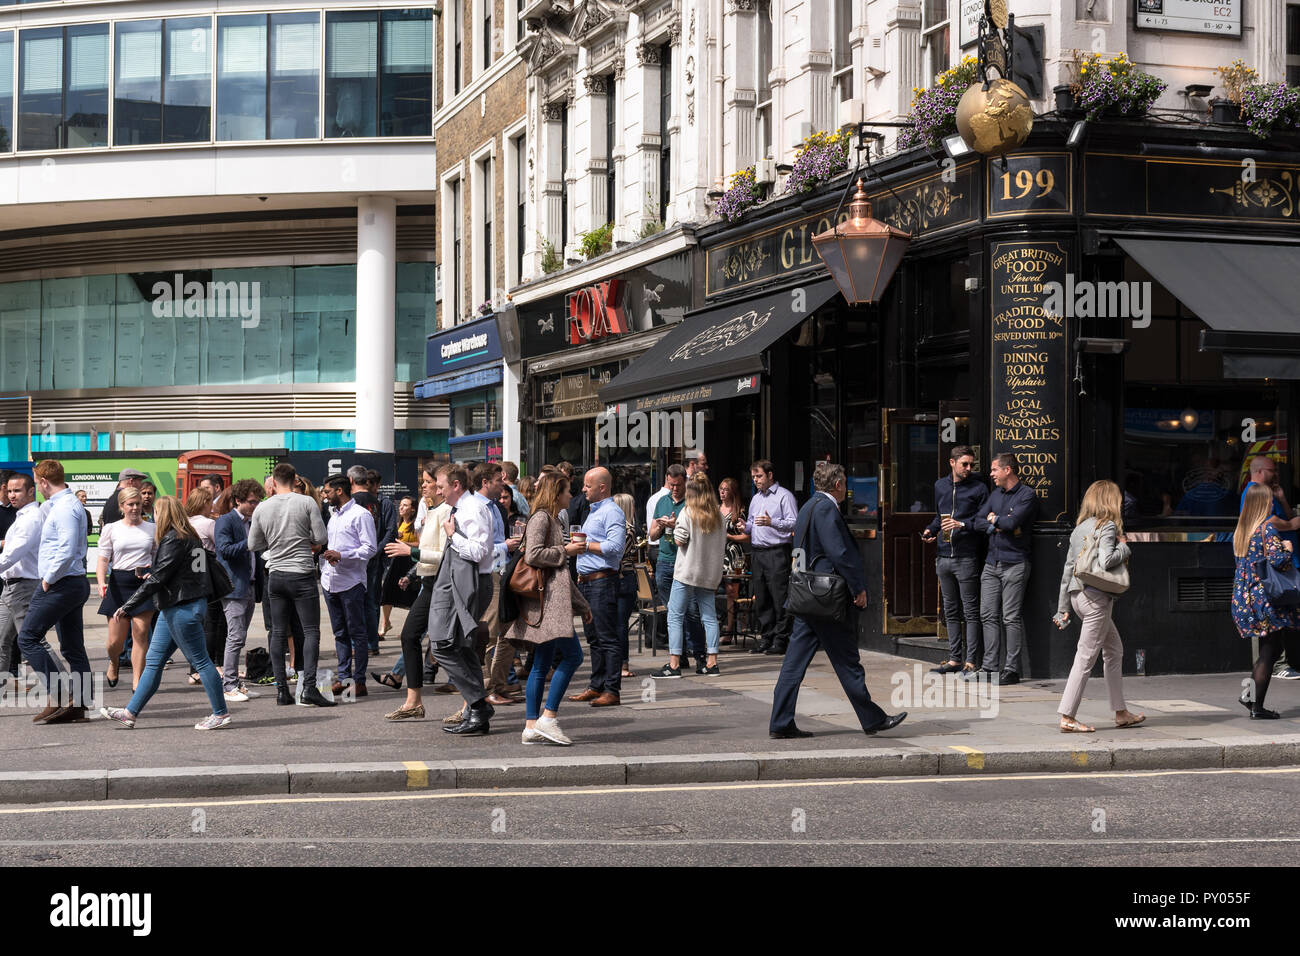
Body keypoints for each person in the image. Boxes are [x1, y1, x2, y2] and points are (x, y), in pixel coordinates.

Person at [770, 462, 906, 738]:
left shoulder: (808, 506)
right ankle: (872, 719)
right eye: (845, 482)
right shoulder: (826, 508)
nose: (847, 487)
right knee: (847, 660)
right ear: (837, 485)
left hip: (806, 598)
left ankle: (780, 722)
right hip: (825, 600)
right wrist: (858, 588)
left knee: (794, 664)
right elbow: (839, 552)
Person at [100, 497, 230, 731]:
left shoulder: (172, 538)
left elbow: (161, 578)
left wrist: (129, 605)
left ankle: (220, 713)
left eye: (157, 512)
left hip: (181, 608)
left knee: (200, 661)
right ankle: (130, 713)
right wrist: (153, 572)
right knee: (153, 662)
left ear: (166, 514)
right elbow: (187, 572)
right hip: (184, 605)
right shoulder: (190, 537)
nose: (153, 517)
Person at [1052, 480, 1146, 733]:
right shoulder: (1108, 526)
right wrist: (1124, 545)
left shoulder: (1079, 528)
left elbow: (1067, 570)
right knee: (1085, 657)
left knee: (1114, 650)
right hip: (1096, 599)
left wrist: (1064, 608)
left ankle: (1121, 713)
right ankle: (1067, 716)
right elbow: (1107, 561)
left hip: (1078, 596)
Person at [516, 472, 592, 745]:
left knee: (541, 663)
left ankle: (530, 726)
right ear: (555, 493)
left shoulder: (552, 519)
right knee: (573, 657)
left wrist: (581, 604)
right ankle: (548, 718)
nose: (571, 496)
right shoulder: (541, 518)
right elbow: (532, 555)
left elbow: (559, 573)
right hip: (547, 603)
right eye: (567, 491)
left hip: (551, 600)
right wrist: (566, 551)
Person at [247, 462, 332, 707]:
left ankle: (282, 691)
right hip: (302, 573)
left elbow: (253, 544)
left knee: (278, 632)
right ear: (295, 480)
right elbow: (321, 538)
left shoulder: (263, 507)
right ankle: (309, 688)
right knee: (310, 631)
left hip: (276, 575)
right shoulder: (306, 503)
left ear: (273, 482)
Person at [18, 460, 93, 724]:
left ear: (42, 482)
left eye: (37, 483)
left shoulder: (65, 508)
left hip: (61, 583)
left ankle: (61, 695)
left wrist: (48, 579)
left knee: (27, 637)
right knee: (73, 647)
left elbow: (68, 547)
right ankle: (80, 706)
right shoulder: (62, 505)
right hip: (70, 582)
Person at [427, 463, 497, 736]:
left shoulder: (473, 509)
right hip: (460, 581)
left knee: (442, 644)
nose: (438, 491)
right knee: (460, 646)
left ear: (456, 485)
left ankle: (478, 704)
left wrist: (452, 535)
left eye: (441, 486)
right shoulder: (463, 509)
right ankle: (475, 712)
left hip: (470, 583)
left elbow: (479, 552)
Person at [380, 469, 450, 711]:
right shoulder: (430, 510)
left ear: (442, 486)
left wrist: (410, 552)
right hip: (428, 581)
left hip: (442, 583)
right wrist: (412, 574)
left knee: (450, 646)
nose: (424, 486)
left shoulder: (446, 513)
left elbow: (445, 556)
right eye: (424, 482)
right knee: (411, 636)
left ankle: (473, 700)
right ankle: (413, 700)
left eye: (429, 482)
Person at [1231, 483, 1300, 719]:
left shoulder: (1242, 531)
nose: (1272, 504)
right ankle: (1256, 707)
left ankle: (1248, 697)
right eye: (1269, 500)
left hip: (1246, 598)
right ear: (1262, 503)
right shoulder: (1267, 529)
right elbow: (1279, 561)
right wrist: (1288, 548)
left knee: (1266, 650)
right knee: (1270, 651)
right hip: (1266, 599)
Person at [970, 453, 1038, 684]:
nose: (991, 474)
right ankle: (989, 667)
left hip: (1015, 562)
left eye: (994, 470)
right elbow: (977, 521)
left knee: (1010, 617)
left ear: (1008, 470)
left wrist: (996, 520)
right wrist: (994, 523)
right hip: (991, 562)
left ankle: (1011, 670)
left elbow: (1012, 523)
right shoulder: (995, 494)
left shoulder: (1026, 494)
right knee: (987, 615)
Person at [921, 446, 989, 676]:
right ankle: (954, 659)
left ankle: (970, 661)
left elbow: (982, 521)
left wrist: (963, 525)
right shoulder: (940, 486)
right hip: (943, 555)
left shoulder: (979, 488)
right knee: (950, 609)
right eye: (964, 464)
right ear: (952, 463)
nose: (969, 469)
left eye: (971, 464)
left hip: (966, 555)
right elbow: (938, 516)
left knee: (970, 610)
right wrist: (930, 530)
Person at [653, 473, 726, 678]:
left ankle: (674, 664)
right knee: (709, 617)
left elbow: (679, 540)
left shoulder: (688, 512)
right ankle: (712, 662)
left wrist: (673, 526)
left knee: (675, 615)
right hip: (709, 573)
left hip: (687, 572)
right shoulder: (718, 515)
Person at [565, 466, 626, 707]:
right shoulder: (594, 510)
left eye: (588, 486)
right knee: (594, 638)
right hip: (588, 581)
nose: (583, 489)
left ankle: (612, 689)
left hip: (602, 580)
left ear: (602, 487)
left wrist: (585, 546)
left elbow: (615, 548)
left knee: (607, 637)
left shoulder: (612, 511)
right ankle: (596, 685)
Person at [1241, 455, 1300, 680]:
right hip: (1268, 576)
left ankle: (1256, 698)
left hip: (1269, 577)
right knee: (1269, 637)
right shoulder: (1254, 492)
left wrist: (1282, 499)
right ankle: (1271, 674)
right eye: (1272, 470)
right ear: (1259, 471)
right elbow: (1269, 523)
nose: (1275, 474)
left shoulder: (1266, 493)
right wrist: (1289, 533)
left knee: (1277, 625)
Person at [320, 474, 378, 697]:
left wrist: (342, 555)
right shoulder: (333, 515)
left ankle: (359, 680)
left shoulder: (361, 515)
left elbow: (370, 548)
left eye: (327, 492)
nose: (325, 496)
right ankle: (344, 678)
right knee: (340, 633)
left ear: (339, 491)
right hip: (330, 581)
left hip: (351, 582)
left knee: (357, 633)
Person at [95, 487, 156, 690]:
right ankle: (114, 662)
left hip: (143, 584)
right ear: (122, 506)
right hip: (119, 583)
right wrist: (101, 581)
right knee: (115, 642)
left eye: (138, 504)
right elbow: (103, 558)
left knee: (141, 633)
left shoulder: (152, 529)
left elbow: (157, 557)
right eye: (130, 504)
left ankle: (137, 680)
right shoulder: (111, 528)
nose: (135, 508)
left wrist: (155, 573)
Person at [475, 462, 524, 706]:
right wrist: (506, 545)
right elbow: (479, 549)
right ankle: (488, 687)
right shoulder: (477, 508)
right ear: (485, 482)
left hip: (503, 572)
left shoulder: (495, 507)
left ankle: (500, 684)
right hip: (490, 574)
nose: (502, 483)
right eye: (497, 480)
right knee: (492, 634)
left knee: (508, 634)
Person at [649, 465, 706, 665]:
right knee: (673, 611)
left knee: (691, 611)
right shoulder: (661, 502)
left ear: (685, 482)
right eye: (671, 485)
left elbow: (700, 535)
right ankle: (679, 655)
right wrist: (662, 526)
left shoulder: (692, 503)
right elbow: (652, 534)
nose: (674, 489)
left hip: (685, 562)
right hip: (664, 561)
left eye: (678, 485)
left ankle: (699, 654)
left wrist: (677, 526)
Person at [214, 479, 265, 703]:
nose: (255, 506)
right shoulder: (226, 521)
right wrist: (250, 541)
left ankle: (235, 682)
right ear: (238, 500)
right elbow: (223, 550)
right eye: (252, 502)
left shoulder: (254, 521)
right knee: (234, 636)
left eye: (258, 502)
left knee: (240, 636)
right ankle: (229, 685)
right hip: (233, 587)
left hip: (251, 585)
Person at [746, 459, 798, 656]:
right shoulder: (756, 498)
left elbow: (794, 523)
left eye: (759, 476)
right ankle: (766, 638)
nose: (756, 480)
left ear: (770, 475)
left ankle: (781, 639)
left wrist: (772, 522)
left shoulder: (784, 497)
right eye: (753, 477)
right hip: (758, 552)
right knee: (762, 598)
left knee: (779, 597)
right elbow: (752, 523)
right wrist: (745, 525)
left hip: (777, 551)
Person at [0, 472, 43, 687]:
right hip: (11, 587)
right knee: (1, 640)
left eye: (17, 490)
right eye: (9, 491)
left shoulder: (31, 518)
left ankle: (66, 691)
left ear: (31, 491)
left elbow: (12, 553)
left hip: (23, 588)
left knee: (32, 642)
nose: (12, 495)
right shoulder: (22, 517)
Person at [184, 487, 226, 687]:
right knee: (212, 624)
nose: (213, 506)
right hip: (207, 578)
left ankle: (193, 669)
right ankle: (208, 666)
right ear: (203, 504)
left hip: (188, 579)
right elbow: (221, 548)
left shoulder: (184, 524)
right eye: (210, 502)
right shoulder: (209, 524)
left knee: (195, 626)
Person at [380, 496, 419, 632]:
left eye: (405, 505)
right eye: (401, 505)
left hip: (410, 562)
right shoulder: (398, 524)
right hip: (396, 561)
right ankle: (385, 623)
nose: (401, 508)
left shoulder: (416, 525)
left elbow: (420, 545)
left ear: (413, 510)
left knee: (410, 596)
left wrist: (404, 543)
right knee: (387, 591)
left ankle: (411, 627)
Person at [718, 477, 749, 641]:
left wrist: (729, 536)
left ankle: (731, 627)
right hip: (717, 553)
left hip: (733, 554)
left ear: (732, 492)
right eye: (721, 489)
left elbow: (747, 537)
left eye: (726, 489)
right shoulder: (715, 509)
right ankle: (716, 625)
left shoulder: (739, 511)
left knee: (732, 591)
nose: (722, 492)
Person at [612, 492, 639, 678]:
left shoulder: (626, 530)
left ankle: (623, 664)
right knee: (617, 623)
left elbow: (617, 554)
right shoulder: (622, 528)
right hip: (622, 577)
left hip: (623, 578)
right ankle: (618, 662)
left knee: (620, 623)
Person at [98, 468, 146, 532]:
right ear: (131, 481)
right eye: (139, 481)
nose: (141, 485)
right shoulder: (129, 499)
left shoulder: (111, 499)